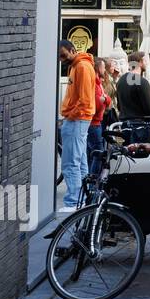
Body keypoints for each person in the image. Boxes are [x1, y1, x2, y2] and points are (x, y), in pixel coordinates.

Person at [57, 41, 96, 211]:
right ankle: (82, 200)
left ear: (73, 50)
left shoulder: (81, 67)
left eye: (63, 55)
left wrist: (70, 115)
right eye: (59, 56)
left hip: (77, 119)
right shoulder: (77, 65)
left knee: (70, 162)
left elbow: (85, 100)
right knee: (79, 161)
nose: (61, 59)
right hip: (79, 119)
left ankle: (73, 202)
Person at [87, 58, 113, 174]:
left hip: (96, 122)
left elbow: (107, 99)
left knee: (92, 152)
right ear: (98, 68)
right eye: (103, 67)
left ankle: (89, 178)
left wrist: (105, 99)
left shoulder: (99, 82)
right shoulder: (94, 83)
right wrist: (103, 100)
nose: (105, 70)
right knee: (98, 153)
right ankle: (92, 181)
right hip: (94, 123)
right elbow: (96, 105)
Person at [117, 51, 150, 119]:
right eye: (145, 61)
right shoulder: (142, 82)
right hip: (139, 125)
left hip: (124, 125)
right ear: (140, 62)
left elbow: (119, 106)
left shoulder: (121, 80)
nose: (147, 63)